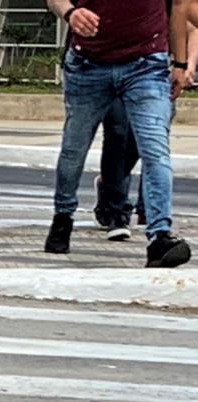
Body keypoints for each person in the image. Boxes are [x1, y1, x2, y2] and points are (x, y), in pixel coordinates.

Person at [45, 0, 192, 268]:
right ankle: (63, 217)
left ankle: (159, 236)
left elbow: (182, 6)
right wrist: (70, 12)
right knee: (74, 148)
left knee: (155, 148)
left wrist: (180, 63)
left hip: (147, 63)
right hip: (87, 63)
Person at [93, 14, 198, 238]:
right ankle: (116, 212)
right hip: (114, 66)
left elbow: (190, 26)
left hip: (157, 71)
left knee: (152, 143)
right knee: (117, 134)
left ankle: (148, 209)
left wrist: (187, 64)